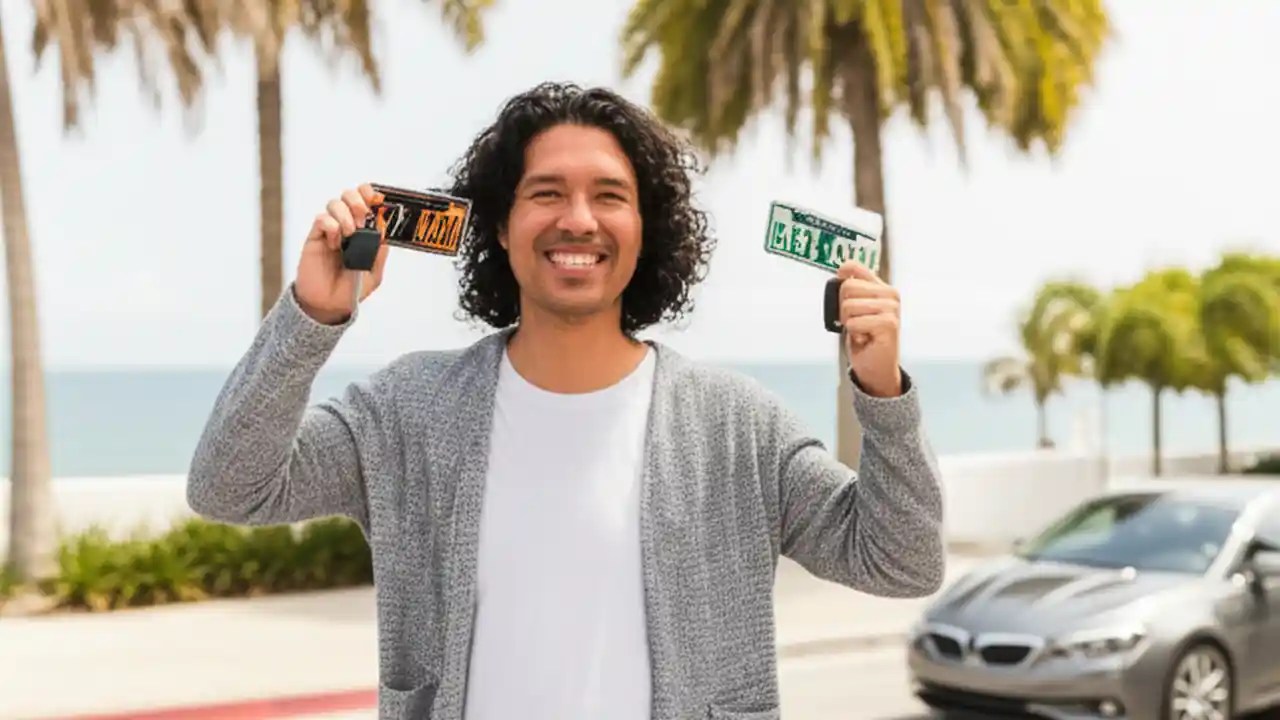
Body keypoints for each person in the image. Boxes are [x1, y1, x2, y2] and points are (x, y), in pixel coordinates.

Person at [187, 81, 944, 720]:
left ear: (645, 233)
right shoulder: (409, 412)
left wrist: (882, 392)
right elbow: (231, 486)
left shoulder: (736, 426)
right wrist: (312, 317)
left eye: (609, 196)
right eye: (546, 193)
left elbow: (901, 562)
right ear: (504, 229)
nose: (577, 219)